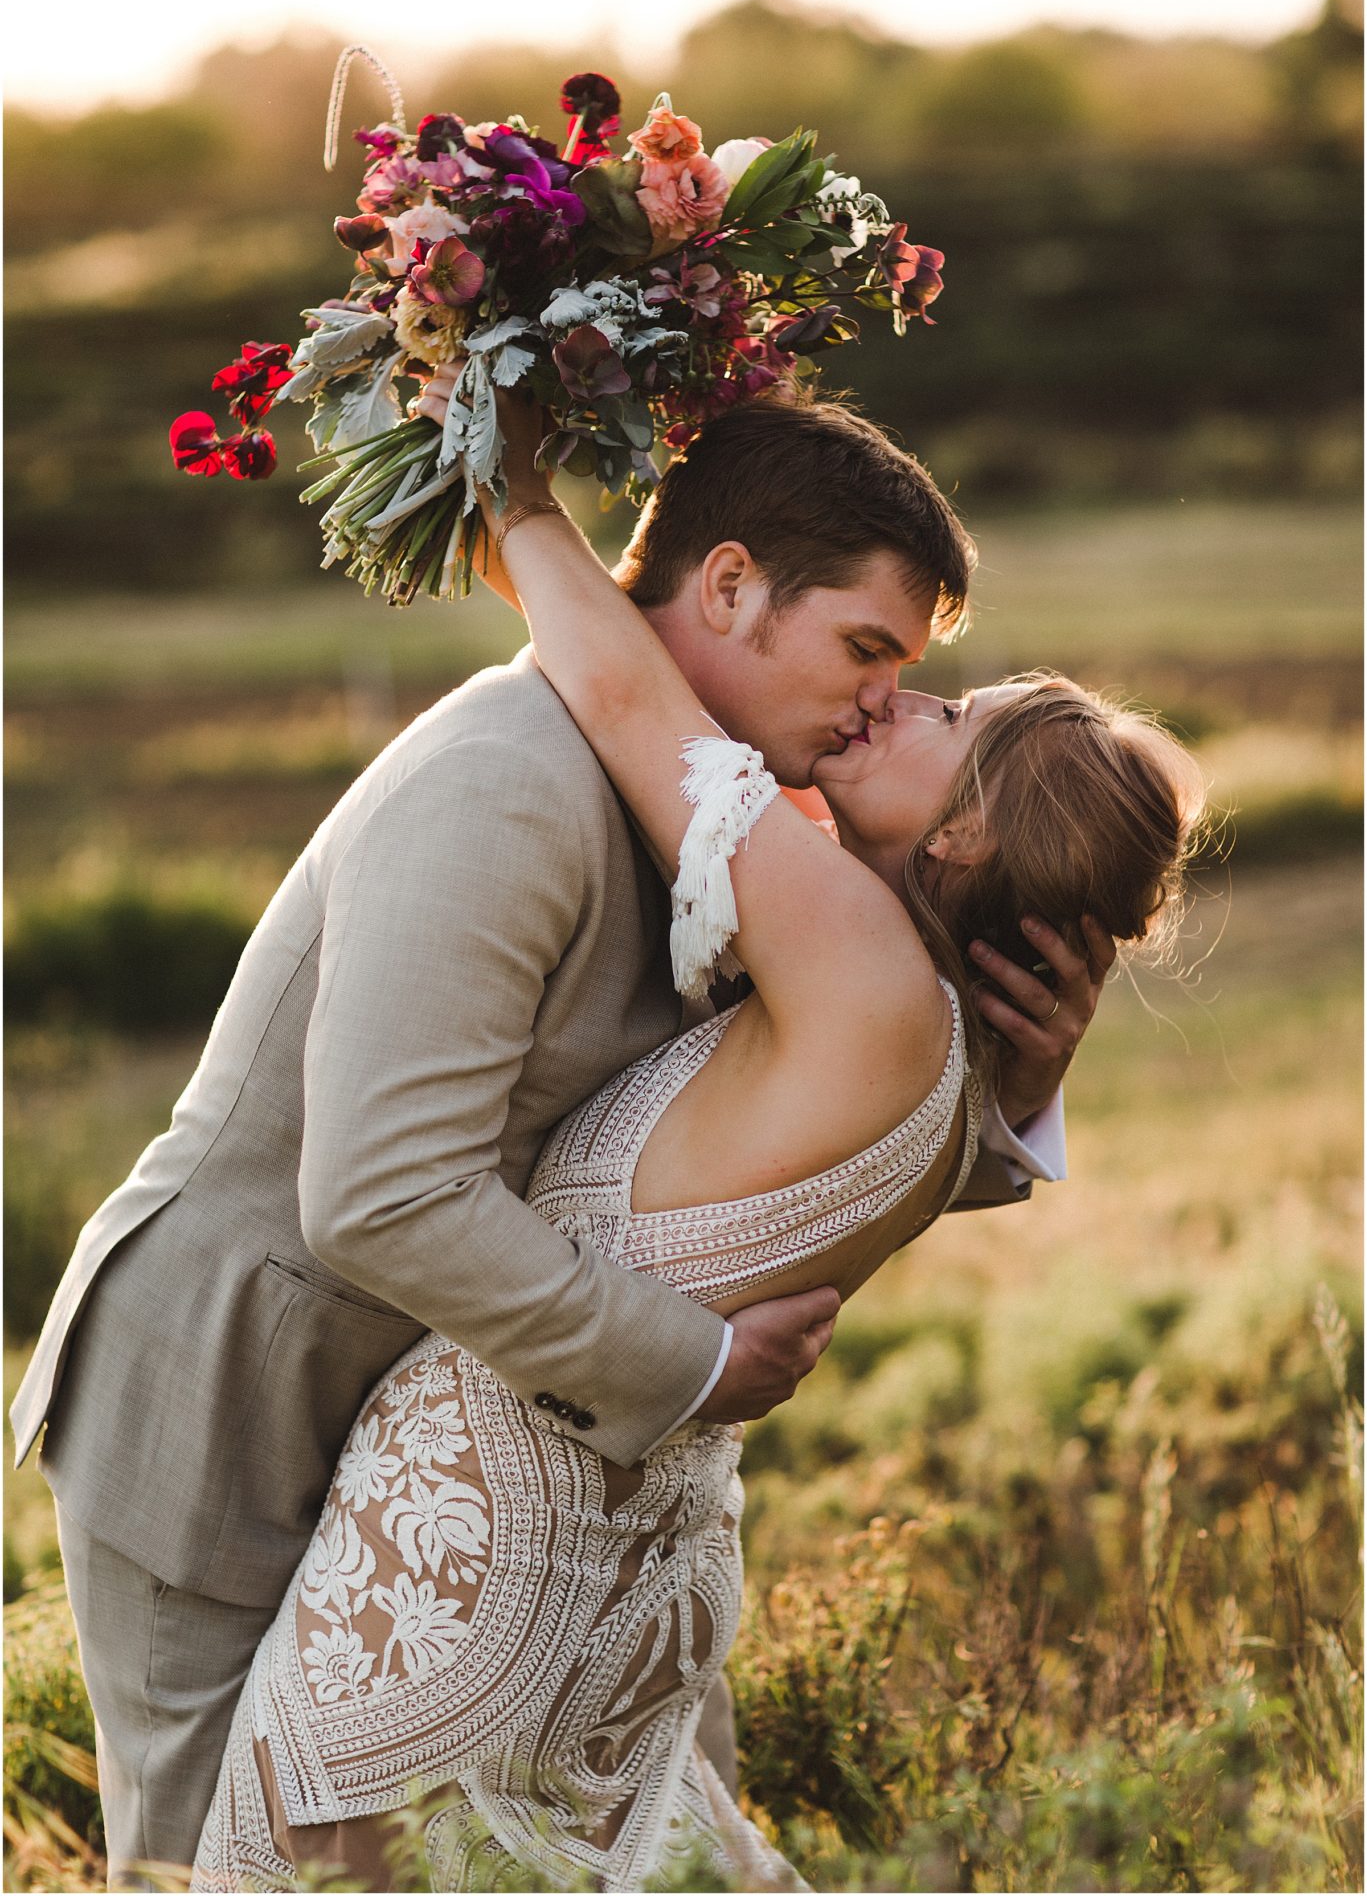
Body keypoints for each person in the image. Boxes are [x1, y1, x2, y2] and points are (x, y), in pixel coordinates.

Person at [10, 397, 1092, 1888]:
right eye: (864, 652)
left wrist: (1019, 1078)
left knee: (635, 1837)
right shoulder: (507, 781)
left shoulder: (728, 816)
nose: (877, 705)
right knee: (220, 1858)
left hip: (495, 1427)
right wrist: (695, 1367)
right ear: (726, 588)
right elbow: (381, 1200)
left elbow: (776, 1145)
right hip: (233, 1386)